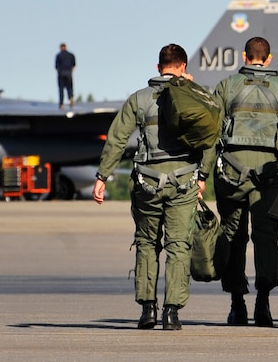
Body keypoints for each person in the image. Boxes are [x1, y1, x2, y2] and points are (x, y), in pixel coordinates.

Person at [91, 44, 214, 331]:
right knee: (178, 246)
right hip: (184, 182)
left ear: (158, 67)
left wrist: (102, 176)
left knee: (147, 243)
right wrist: (202, 176)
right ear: (183, 67)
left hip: (147, 182)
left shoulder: (139, 99)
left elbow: (117, 138)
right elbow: (210, 137)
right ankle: (172, 312)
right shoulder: (197, 96)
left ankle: (148, 309)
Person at [212, 36, 278, 327]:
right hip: (269, 176)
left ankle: (237, 304)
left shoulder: (227, 86)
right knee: (266, 238)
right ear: (270, 57)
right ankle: (263, 302)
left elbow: (211, 132)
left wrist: (202, 173)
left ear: (244, 56)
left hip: (231, 175)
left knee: (233, 237)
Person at [55, 43, 76, 108]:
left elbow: (56, 67)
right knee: (69, 87)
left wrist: (59, 72)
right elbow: (74, 65)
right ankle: (71, 98)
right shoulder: (71, 55)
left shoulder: (58, 55)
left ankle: (61, 104)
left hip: (61, 73)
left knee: (61, 89)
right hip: (68, 73)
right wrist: (71, 71)